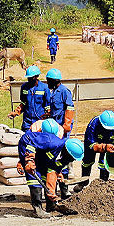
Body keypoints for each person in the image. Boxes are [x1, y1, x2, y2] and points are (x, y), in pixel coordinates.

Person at [18, 129, 84, 218]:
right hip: (27, 143)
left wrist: (51, 192)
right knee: (34, 175)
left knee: (45, 174)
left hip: (41, 153)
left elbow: (52, 172)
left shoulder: (65, 157)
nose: (72, 160)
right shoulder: (51, 142)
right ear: (67, 151)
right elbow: (32, 144)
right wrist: (29, 161)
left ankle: (51, 205)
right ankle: (38, 208)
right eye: (72, 157)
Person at [74, 110, 114, 192]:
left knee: (104, 162)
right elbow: (92, 146)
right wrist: (104, 147)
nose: (108, 130)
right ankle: (83, 182)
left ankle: (103, 184)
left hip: (108, 142)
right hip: (94, 141)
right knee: (87, 161)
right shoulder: (93, 126)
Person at [46, 68, 76, 198]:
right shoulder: (53, 92)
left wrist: (66, 125)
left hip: (62, 129)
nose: (47, 83)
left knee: (64, 153)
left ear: (54, 80)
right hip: (54, 128)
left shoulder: (64, 91)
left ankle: (65, 186)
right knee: (54, 154)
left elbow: (69, 108)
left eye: (48, 80)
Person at [8, 65, 51, 132]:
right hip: (27, 121)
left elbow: (48, 105)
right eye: (28, 78)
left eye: (31, 78)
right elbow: (23, 103)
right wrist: (16, 112)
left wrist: (47, 117)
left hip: (39, 121)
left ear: (36, 76)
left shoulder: (44, 88)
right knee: (26, 138)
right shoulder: (24, 87)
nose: (29, 79)